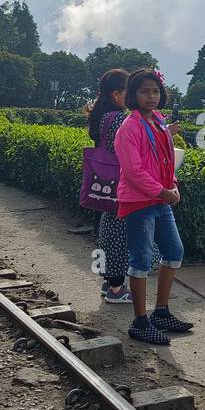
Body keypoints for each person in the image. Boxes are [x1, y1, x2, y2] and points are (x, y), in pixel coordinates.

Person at [115, 70, 192, 344]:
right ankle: (140, 321)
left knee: (174, 252)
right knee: (142, 259)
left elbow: (164, 160)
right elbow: (133, 171)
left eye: (156, 91)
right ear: (134, 95)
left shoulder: (158, 121)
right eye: (145, 91)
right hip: (140, 202)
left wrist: (172, 184)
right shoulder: (130, 127)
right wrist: (163, 191)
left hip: (160, 199)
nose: (151, 96)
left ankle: (161, 312)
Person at [85, 69, 132, 304]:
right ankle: (116, 288)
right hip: (119, 183)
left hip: (105, 182)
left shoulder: (103, 116)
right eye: (129, 91)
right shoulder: (120, 119)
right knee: (118, 234)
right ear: (116, 94)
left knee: (107, 230)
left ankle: (108, 282)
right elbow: (126, 151)